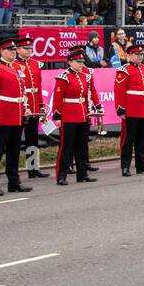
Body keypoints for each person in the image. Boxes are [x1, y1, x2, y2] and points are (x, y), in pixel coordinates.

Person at [0, 38, 30, 196]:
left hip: (17, 115)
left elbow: (22, 92)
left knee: (14, 151)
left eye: (14, 49)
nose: (13, 52)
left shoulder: (17, 67)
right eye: (9, 50)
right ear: (1, 51)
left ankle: (14, 182)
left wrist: (25, 109)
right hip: (2, 116)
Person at [49, 47, 100, 185]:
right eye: (78, 62)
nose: (81, 64)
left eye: (82, 62)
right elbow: (58, 98)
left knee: (81, 147)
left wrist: (97, 106)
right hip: (68, 116)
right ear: (70, 62)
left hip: (83, 114)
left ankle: (82, 174)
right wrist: (57, 116)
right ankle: (61, 176)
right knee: (66, 147)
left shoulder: (85, 76)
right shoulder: (64, 77)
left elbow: (89, 93)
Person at [114, 44, 144, 176]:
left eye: (141, 54)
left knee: (142, 140)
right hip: (131, 110)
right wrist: (121, 110)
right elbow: (119, 91)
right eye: (137, 54)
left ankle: (141, 165)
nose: (140, 56)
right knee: (128, 140)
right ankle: (125, 167)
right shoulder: (124, 70)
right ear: (130, 56)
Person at [14, 37, 49, 180]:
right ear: (18, 50)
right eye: (26, 49)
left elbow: (38, 87)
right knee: (15, 140)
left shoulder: (35, 64)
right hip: (20, 105)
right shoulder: (14, 64)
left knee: (32, 138)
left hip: (34, 105)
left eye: (30, 49)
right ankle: (13, 171)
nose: (29, 51)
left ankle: (33, 168)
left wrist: (41, 105)